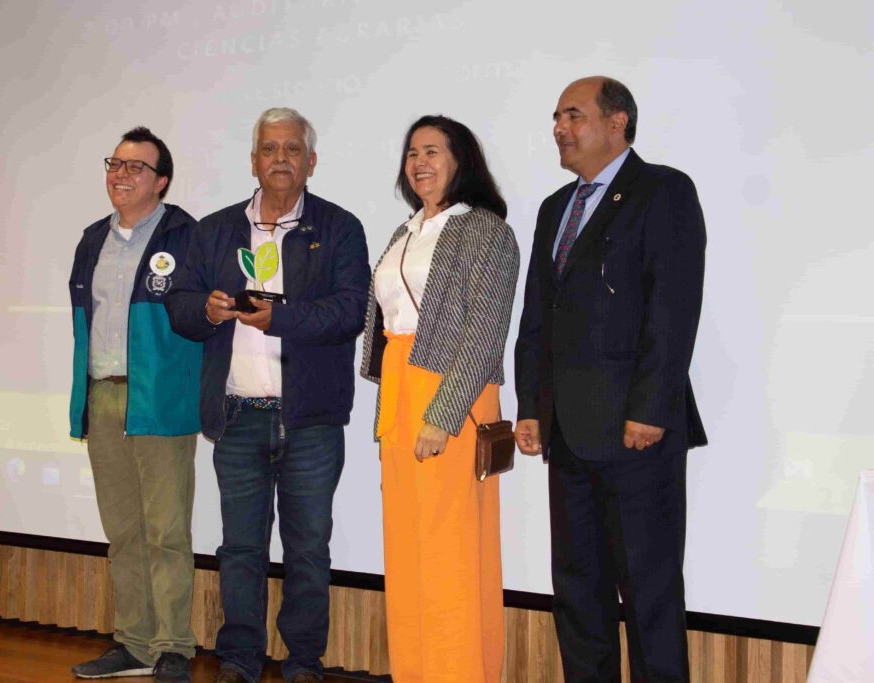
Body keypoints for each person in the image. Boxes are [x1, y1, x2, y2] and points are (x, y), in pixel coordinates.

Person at [164, 107, 369, 683]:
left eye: (292, 149)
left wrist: (278, 319)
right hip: (237, 417)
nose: (281, 158)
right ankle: (239, 659)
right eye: (270, 149)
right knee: (240, 549)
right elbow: (180, 304)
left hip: (310, 420)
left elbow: (350, 312)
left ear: (311, 161)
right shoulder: (215, 230)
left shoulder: (339, 228)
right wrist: (206, 311)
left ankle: (303, 661)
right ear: (253, 161)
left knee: (308, 550)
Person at [514, 76, 707, 682]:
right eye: (556, 117)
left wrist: (650, 409)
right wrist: (531, 405)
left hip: (635, 433)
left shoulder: (662, 191)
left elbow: (673, 310)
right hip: (568, 433)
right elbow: (537, 317)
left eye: (573, 115)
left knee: (648, 592)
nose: (559, 128)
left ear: (617, 122)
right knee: (578, 590)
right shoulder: (555, 207)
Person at [359, 115, 520, 683]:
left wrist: (442, 416)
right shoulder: (405, 231)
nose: (419, 162)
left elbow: (484, 331)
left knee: (450, 551)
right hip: (400, 395)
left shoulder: (485, 230)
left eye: (432, 151)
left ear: (461, 160)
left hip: (452, 394)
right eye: (411, 153)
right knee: (407, 548)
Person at [69, 127, 202, 683]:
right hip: (103, 395)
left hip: (160, 398)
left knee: (166, 531)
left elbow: (199, 320)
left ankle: (173, 646)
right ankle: (135, 642)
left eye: (135, 167)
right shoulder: (91, 240)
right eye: (115, 164)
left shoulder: (187, 237)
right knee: (123, 531)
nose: (121, 175)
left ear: (161, 180)